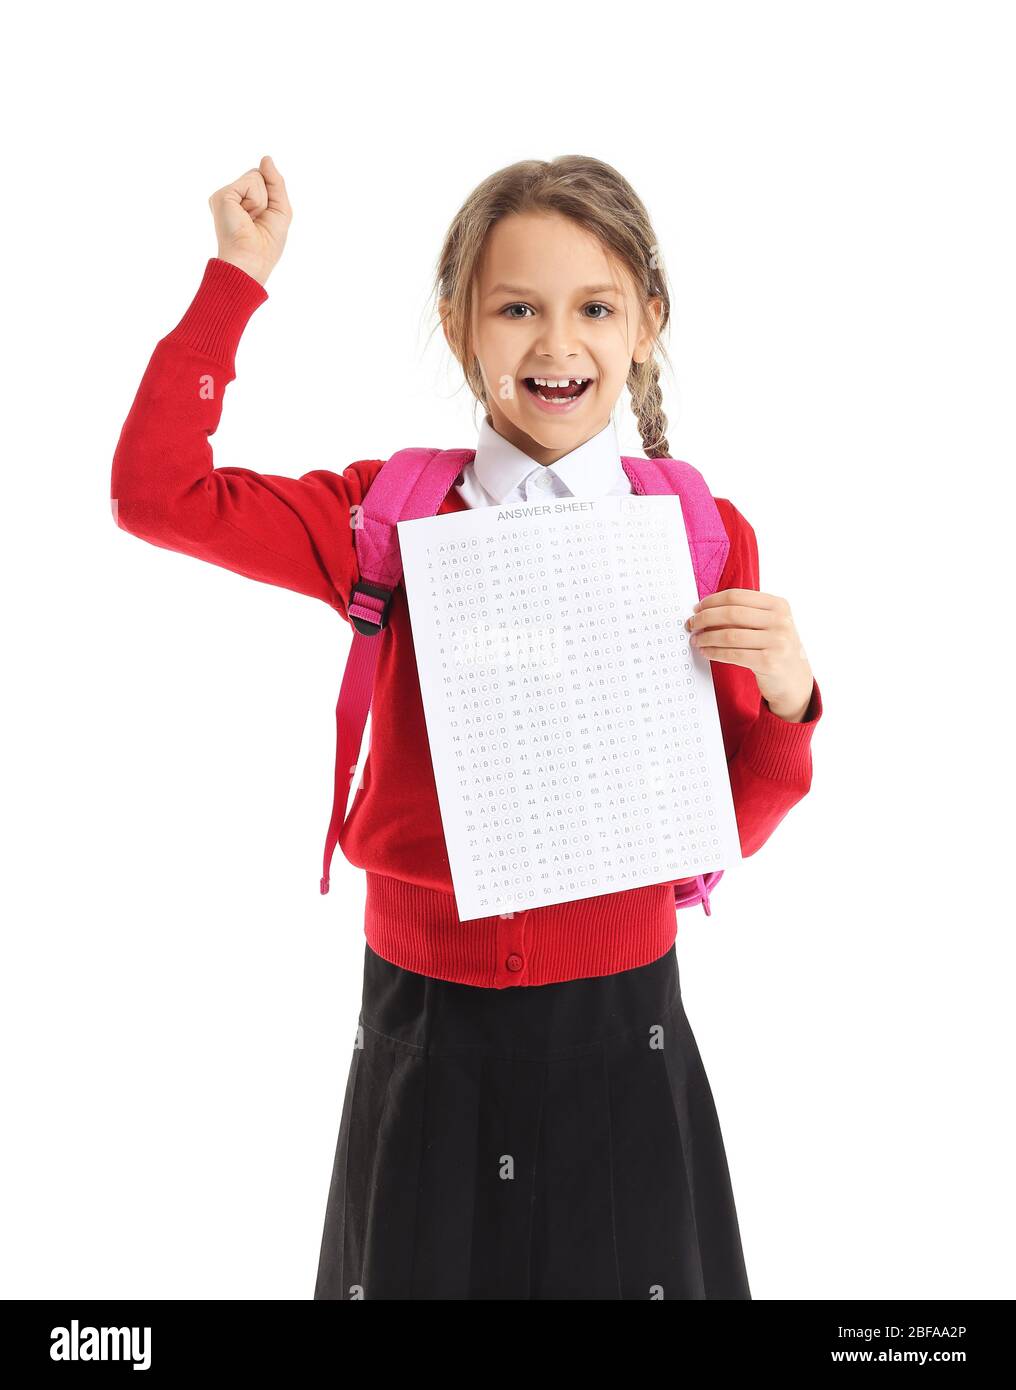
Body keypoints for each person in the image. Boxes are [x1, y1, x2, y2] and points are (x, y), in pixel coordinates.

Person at [111, 153, 823, 1300]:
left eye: (594, 307)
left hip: (621, 1033)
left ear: (646, 322)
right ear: (459, 328)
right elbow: (156, 494)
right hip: (425, 1031)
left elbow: (713, 823)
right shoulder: (380, 518)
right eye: (516, 308)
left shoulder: (698, 535)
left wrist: (787, 700)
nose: (556, 343)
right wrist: (235, 278)